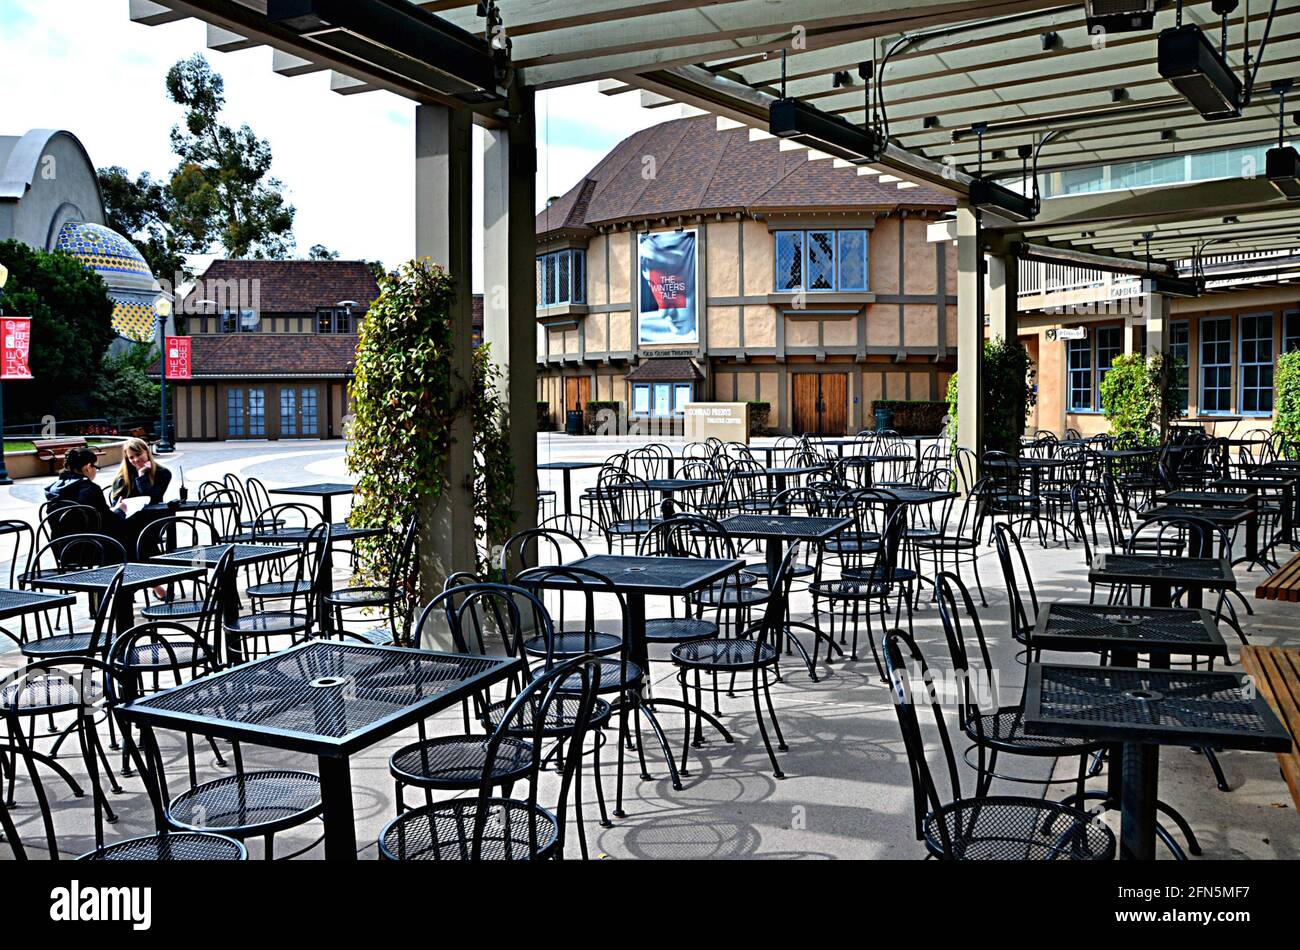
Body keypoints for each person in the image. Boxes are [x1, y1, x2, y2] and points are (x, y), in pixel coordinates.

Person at [109, 437, 172, 507]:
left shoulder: (163, 473)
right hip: (129, 515)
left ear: (147, 452)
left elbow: (153, 500)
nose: (136, 459)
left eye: (138, 454)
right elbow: (115, 504)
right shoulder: (122, 476)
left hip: (153, 514)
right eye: (131, 457)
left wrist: (141, 476)